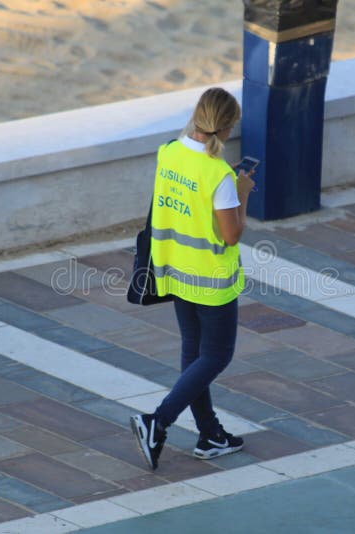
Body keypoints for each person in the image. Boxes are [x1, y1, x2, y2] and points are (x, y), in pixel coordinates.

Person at [130, 87, 256, 470]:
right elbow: (231, 234)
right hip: (211, 279)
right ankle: (158, 421)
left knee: (194, 352)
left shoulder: (168, 152)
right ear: (228, 128)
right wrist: (243, 191)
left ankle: (210, 435)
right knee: (216, 355)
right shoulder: (219, 175)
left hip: (175, 269)